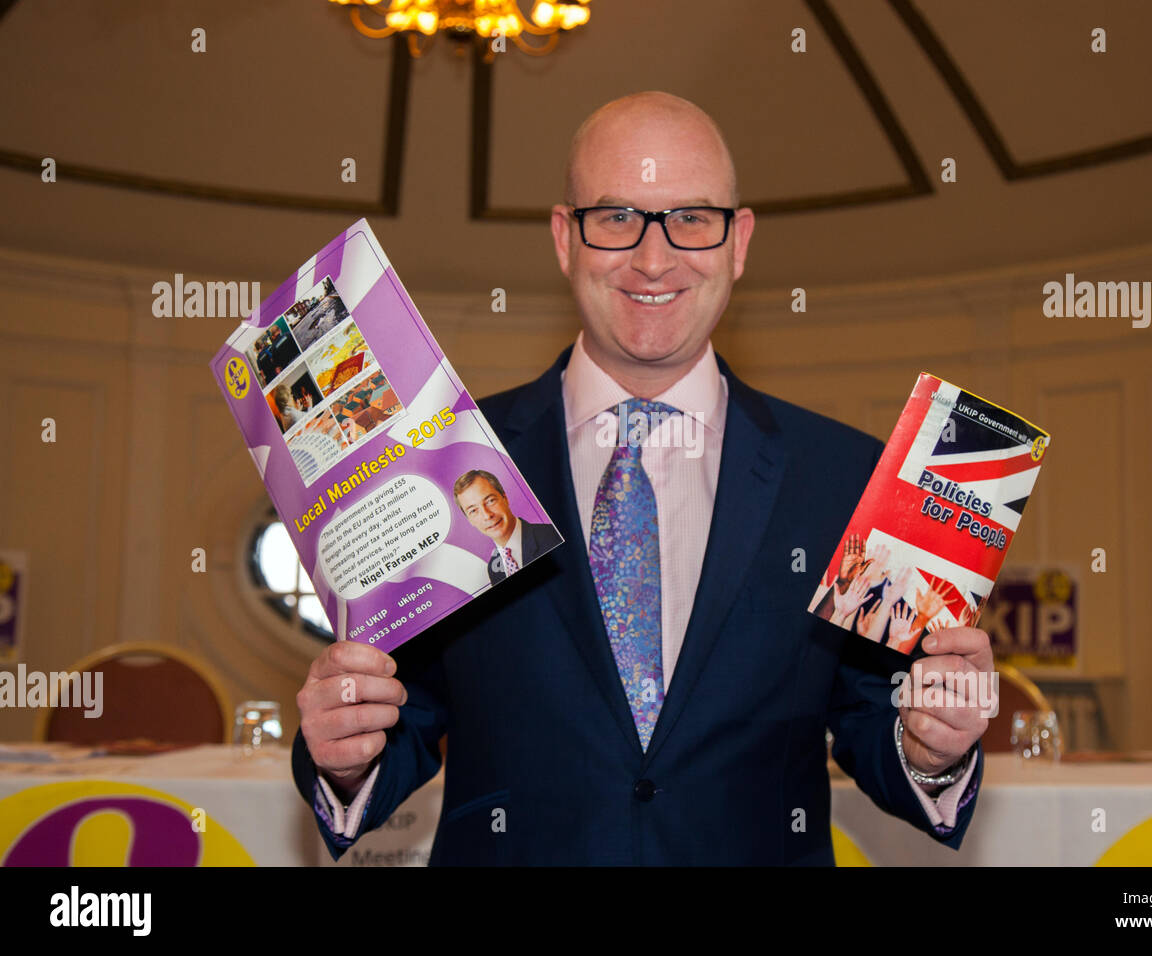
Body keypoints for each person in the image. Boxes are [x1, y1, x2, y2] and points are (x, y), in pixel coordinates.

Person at [292, 91, 996, 865]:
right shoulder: (451, 464)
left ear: (739, 241)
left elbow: (874, 720)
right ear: (566, 238)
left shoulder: (845, 474)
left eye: (692, 218)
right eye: (617, 217)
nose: (653, 259)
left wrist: (931, 746)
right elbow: (408, 713)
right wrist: (346, 755)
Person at [453, 469, 563, 585]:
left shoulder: (551, 536)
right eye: (473, 511)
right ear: (469, 520)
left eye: (490, 501)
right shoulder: (494, 569)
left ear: (505, 498)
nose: (487, 515)